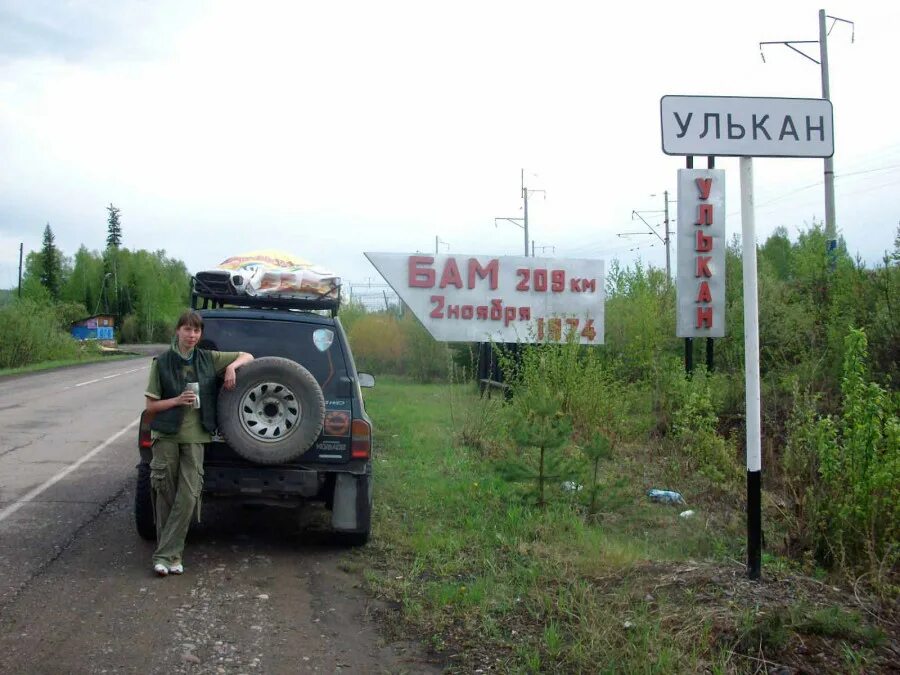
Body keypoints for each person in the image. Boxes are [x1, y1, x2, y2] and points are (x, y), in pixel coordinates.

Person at [144, 310, 253, 576]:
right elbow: (150, 407)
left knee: (189, 494)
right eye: (187, 330)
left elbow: (248, 356)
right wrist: (177, 401)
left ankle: (166, 554)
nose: (192, 335)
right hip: (166, 435)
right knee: (165, 494)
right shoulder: (162, 362)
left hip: (196, 436)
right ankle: (171, 557)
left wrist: (231, 367)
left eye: (196, 331)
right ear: (177, 331)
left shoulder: (207, 358)